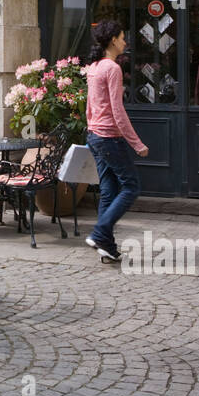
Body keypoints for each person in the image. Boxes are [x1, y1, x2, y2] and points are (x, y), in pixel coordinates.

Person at [84, 20, 149, 261]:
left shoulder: (95, 67)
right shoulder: (112, 68)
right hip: (109, 137)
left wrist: (91, 130)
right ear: (112, 40)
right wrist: (137, 144)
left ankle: (107, 246)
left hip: (95, 136)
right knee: (131, 187)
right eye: (122, 37)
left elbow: (89, 107)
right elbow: (118, 111)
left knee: (109, 191)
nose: (125, 42)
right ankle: (100, 233)